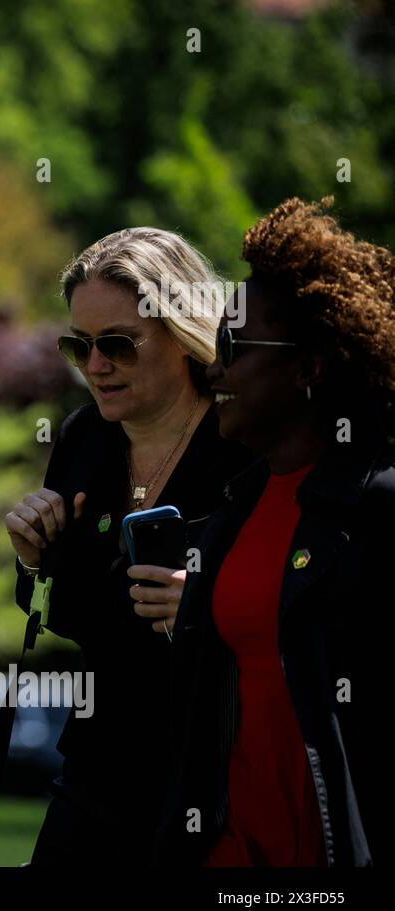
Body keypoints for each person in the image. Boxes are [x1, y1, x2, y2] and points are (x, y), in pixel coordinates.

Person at [6, 227, 255, 864]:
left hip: (221, 780)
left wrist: (204, 605)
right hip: (98, 771)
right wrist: (33, 559)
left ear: (182, 331)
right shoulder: (84, 438)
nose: (95, 366)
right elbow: (61, 613)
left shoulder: (247, 443)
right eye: (79, 345)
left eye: (118, 344)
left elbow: (294, 602)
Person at [155, 197, 392, 866]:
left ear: (309, 366)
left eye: (233, 347)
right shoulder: (236, 508)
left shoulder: (376, 510)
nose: (214, 370)